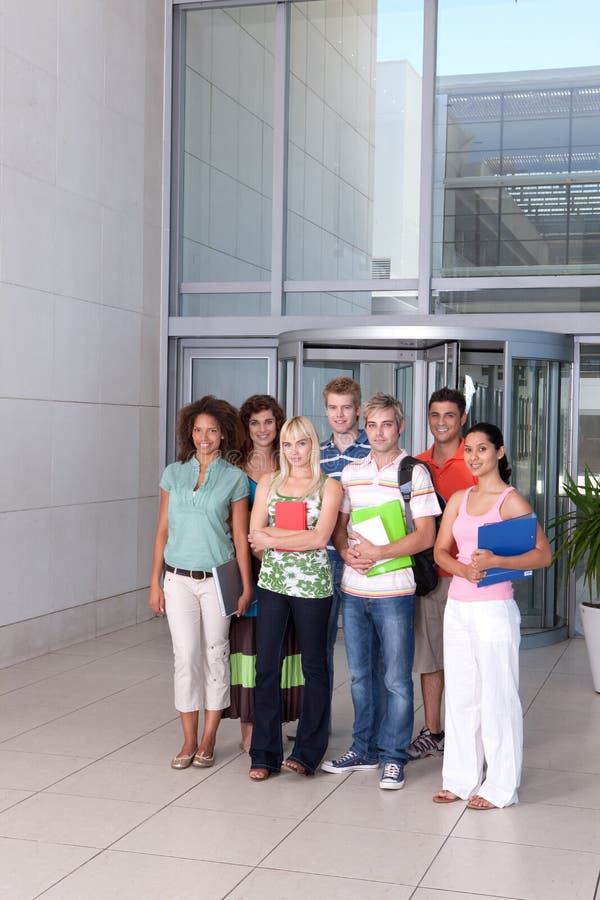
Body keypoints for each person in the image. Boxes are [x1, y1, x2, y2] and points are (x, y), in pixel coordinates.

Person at [322, 393, 441, 790]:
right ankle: (364, 748)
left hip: (394, 592)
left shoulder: (415, 474)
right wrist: (345, 551)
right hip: (354, 590)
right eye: (372, 425)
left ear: (400, 426)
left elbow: (426, 536)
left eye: (386, 424)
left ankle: (393, 756)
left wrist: (379, 552)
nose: (378, 432)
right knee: (359, 677)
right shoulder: (352, 471)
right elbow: (339, 526)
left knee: (395, 679)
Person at [432, 422, 551, 809]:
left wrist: (497, 559)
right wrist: (461, 568)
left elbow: (542, 555)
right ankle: (461, 780)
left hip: (494, 609)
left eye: (482, 449)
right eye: (468, 450)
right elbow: (440, 552)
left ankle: (500, 787)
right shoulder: (458, 500)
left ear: (499, 452)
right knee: (463, 696)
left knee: (498, 696)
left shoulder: (511, 501)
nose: (474, 457)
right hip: (459, 607)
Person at [149, 396, 253, 770]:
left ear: (223, 434)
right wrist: (155, 582)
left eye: (211, 430)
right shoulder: (173, 474)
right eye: (197, 430)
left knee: (215, 654)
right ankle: (188, 738)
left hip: (216, 579)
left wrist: (245, 585)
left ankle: (209, 736)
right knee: (185, 658)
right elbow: (162, 531)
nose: (204, 437)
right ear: (188, 432)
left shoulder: (235, 478)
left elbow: (240, 537)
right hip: (177, 579)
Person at [247, 416, 343, 780]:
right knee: (266, 666)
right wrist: (282, 538)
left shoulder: (329, 487)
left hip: (313, 587)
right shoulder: (268, 482)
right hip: (273, 584)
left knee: (314, 668)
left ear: (312, 445)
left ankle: (307, 751)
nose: (294, 451)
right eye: (287, 444)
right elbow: (255, 534)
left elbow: (320, 539)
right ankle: (264, 753)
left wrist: (274, 539)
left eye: (301, 443)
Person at [224, 395, 303, 751]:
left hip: (285, 562)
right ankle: (250, 727)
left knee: (281, 644)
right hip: (245, 563)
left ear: (279, 424)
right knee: (248, 643)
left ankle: (274, 721)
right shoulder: (232, 465)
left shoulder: (292, 462)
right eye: (254, 423)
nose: (262, 430)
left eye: (268, 422)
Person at [406, 387, 477, 760]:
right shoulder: (416, 465)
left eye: (449, 415)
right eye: (435, 415)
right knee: (430, 657)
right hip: (429, 576)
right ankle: (433, 732)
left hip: (468, 576)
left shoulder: (476, 460)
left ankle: (466, 734)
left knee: (466, 658)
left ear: (462, 419)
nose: (441, 423)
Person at [319, 377, 370, 729]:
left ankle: (367, 731)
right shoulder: (315, 453)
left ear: (358, 409)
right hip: (321, 559)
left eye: (346, 407)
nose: (339, 414)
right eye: (333, 408)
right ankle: (317, 727)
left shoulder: (374, 449)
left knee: (362, 652)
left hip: (362, 559)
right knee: (319, 648)